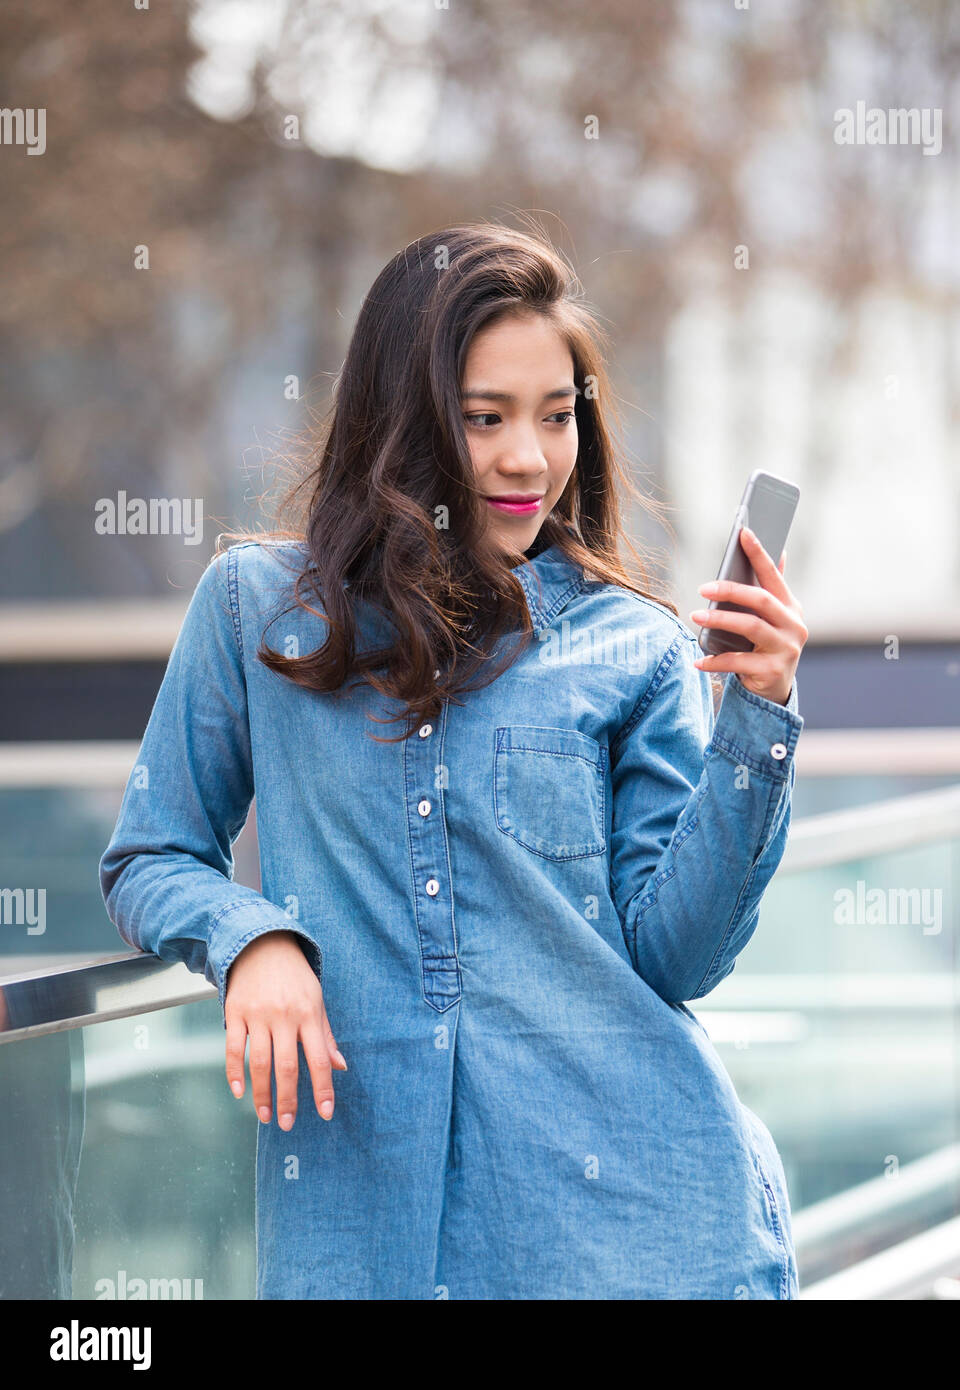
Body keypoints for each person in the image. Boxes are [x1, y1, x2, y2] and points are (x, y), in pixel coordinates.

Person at [99, 221, 809, 1299]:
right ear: (407, 423)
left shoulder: (635, 641)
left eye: (557, 416)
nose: (529, 458)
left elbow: (676, 959)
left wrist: (757, 720)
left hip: (642, 1236)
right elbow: (150, 852)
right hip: (364, 1238)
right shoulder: (254, 611)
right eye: (485, 419)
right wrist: (252, 940)